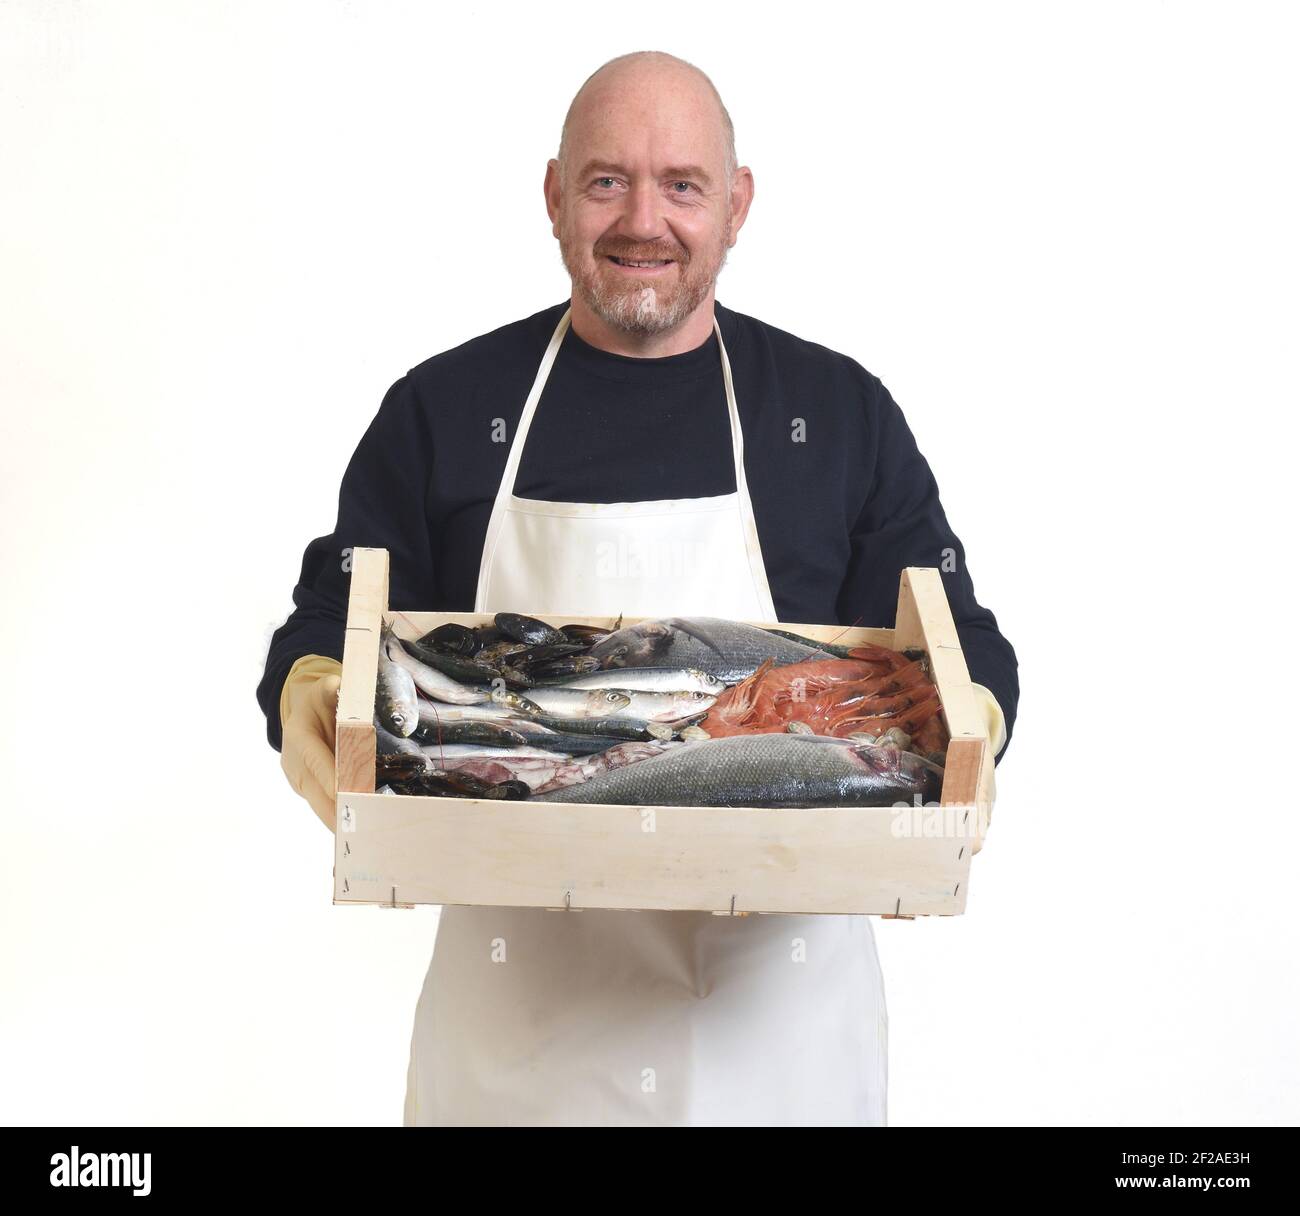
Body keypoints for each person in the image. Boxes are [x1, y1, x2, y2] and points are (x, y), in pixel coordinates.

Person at [257, 50, 1019, 1126]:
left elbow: (963, 644)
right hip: (519, 1055)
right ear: (555, 196)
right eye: (606, 181)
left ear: (738, 203)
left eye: (683, 185)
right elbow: (326, 626)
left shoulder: (836, 416)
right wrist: (314, 694)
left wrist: (967, 735)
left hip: (782, 1057)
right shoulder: (444, 408)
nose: (642, 222)